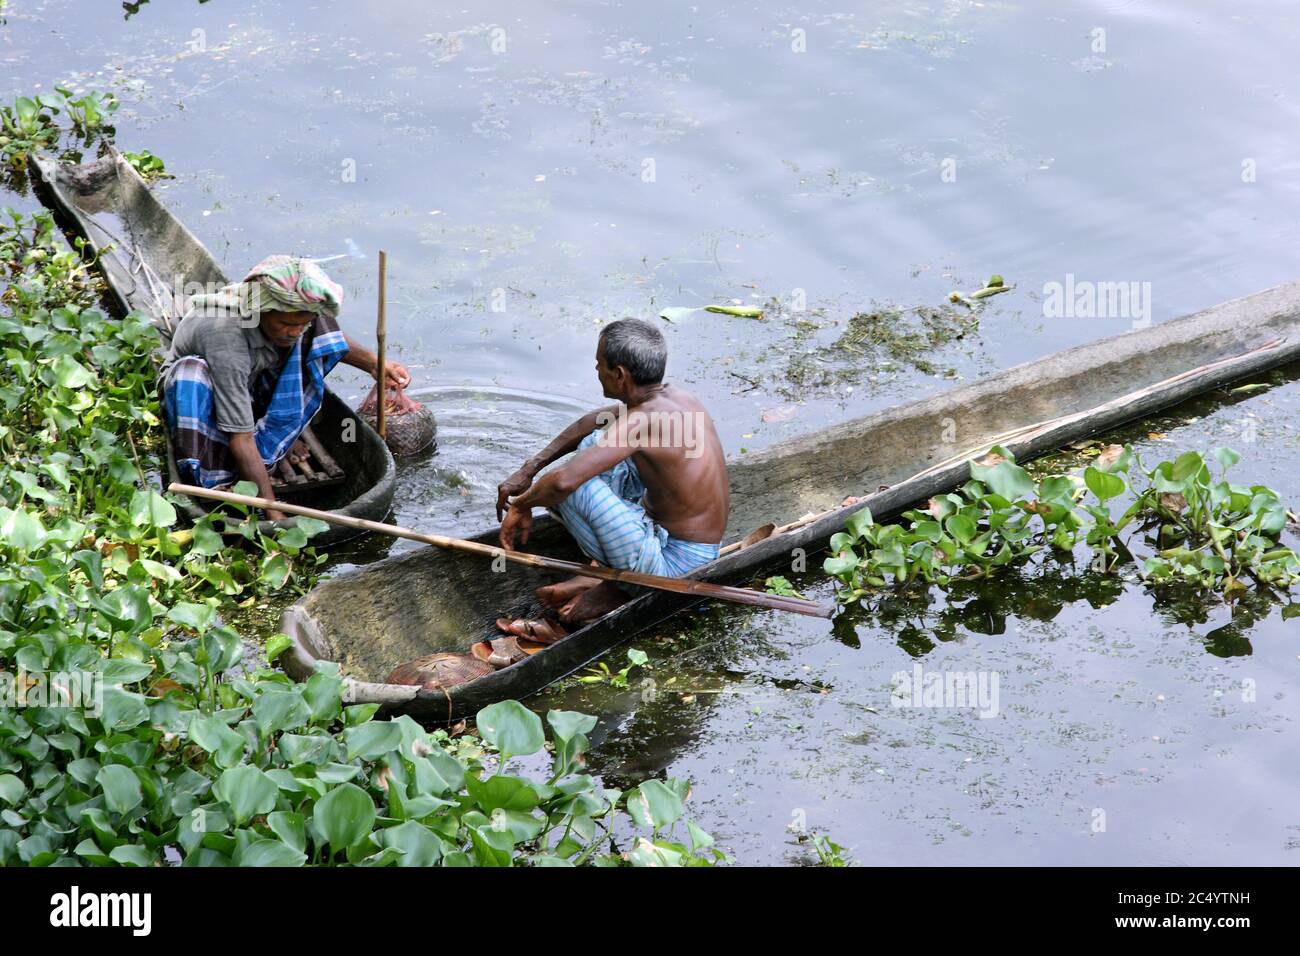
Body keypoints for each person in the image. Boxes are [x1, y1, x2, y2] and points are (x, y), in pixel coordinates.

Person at [495, 318, 729, 638]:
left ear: (619, 375)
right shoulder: (674, 398)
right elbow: (594, 421)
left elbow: (565, 482)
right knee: (593, 445)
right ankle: (610, 579)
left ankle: (624, 586)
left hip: (674, 570)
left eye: (599, 365)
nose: (596, 371)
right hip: (695, 546)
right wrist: (529, 469)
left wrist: (522, 504)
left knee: (571, 486)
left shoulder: (643, 420)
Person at [160, 255, 409, 519]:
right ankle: (217, 473)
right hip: (202, 398)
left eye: (300, 324)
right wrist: (272, 510)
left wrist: (374, 364)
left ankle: (275, 434)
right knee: (192, 375)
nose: (294, 331)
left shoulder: (289, 318)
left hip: (249, 379)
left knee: (319, 325)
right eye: (286, 324)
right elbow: (241, 438)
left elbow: (317, 332)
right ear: (261, 311)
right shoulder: (226, 335)